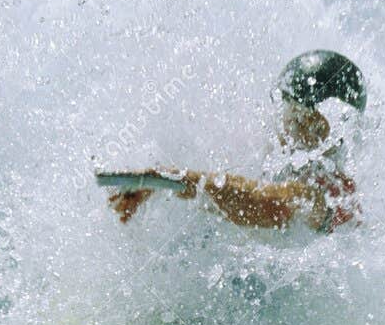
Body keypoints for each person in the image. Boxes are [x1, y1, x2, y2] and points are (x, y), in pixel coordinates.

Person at [108, 50, 366, 235]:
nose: (288, 127)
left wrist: (169, 179)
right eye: (288, 112)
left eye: (303, 119)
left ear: (333, 130)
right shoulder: (275, 154)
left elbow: (268, 204)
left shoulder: (333, 193)